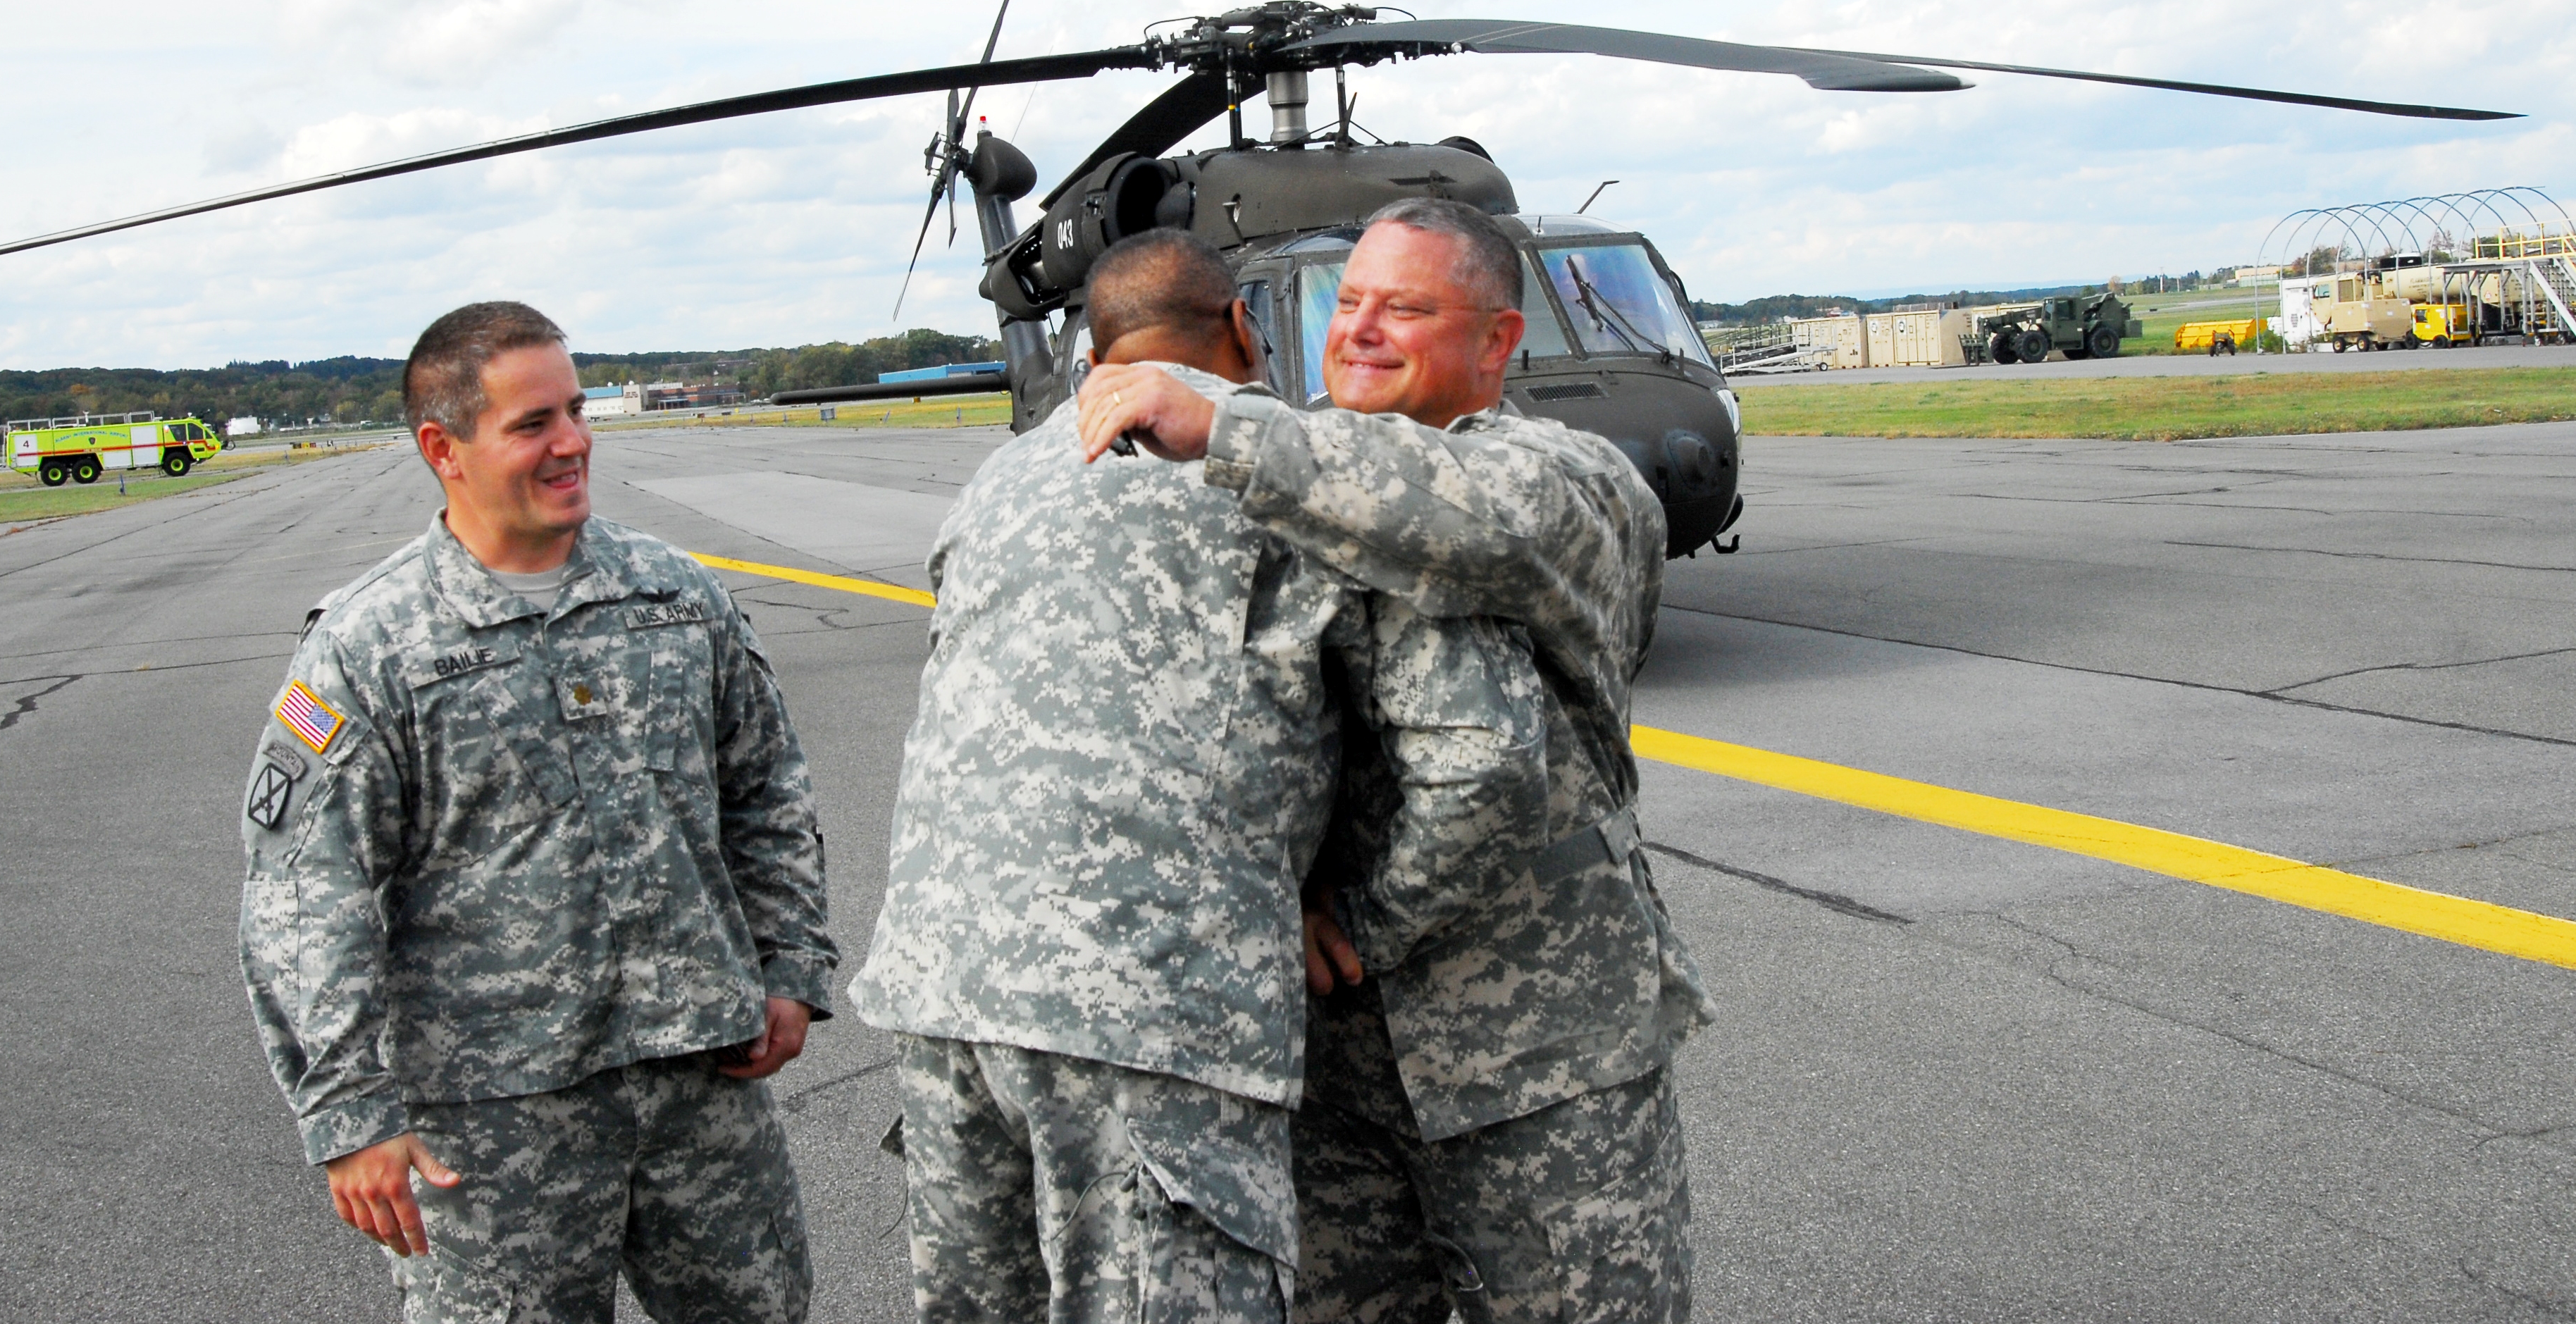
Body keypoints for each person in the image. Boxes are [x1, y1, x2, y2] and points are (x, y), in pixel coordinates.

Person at [851, 228, 1549, 1323]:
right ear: (1241, 327)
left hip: (940, 997)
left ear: (1097, 351)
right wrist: (1361, 926)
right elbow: (1489, 761)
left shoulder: (1001, 479)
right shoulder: (1301, 472)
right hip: (1150, 1012)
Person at [1079, 197, 1712, 1323]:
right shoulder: (1303, 476)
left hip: (1538, 1052)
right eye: (1349, 303)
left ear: (1497, 341)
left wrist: (1225, 427)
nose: (1361, 330)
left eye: (1406, 309)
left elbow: (1471, 518)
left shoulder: (1570, 479)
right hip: (1332, 1064)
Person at [237, 301, 832, 1323]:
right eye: (533, 424)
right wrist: (347, 1109)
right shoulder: (370, 647)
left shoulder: (676, 598)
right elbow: (305, 893)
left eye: (577, 410)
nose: (573, 443)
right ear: (444, 449)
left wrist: (791, 966)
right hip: (494, 1119)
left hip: (703, 1081)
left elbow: (766, 791)